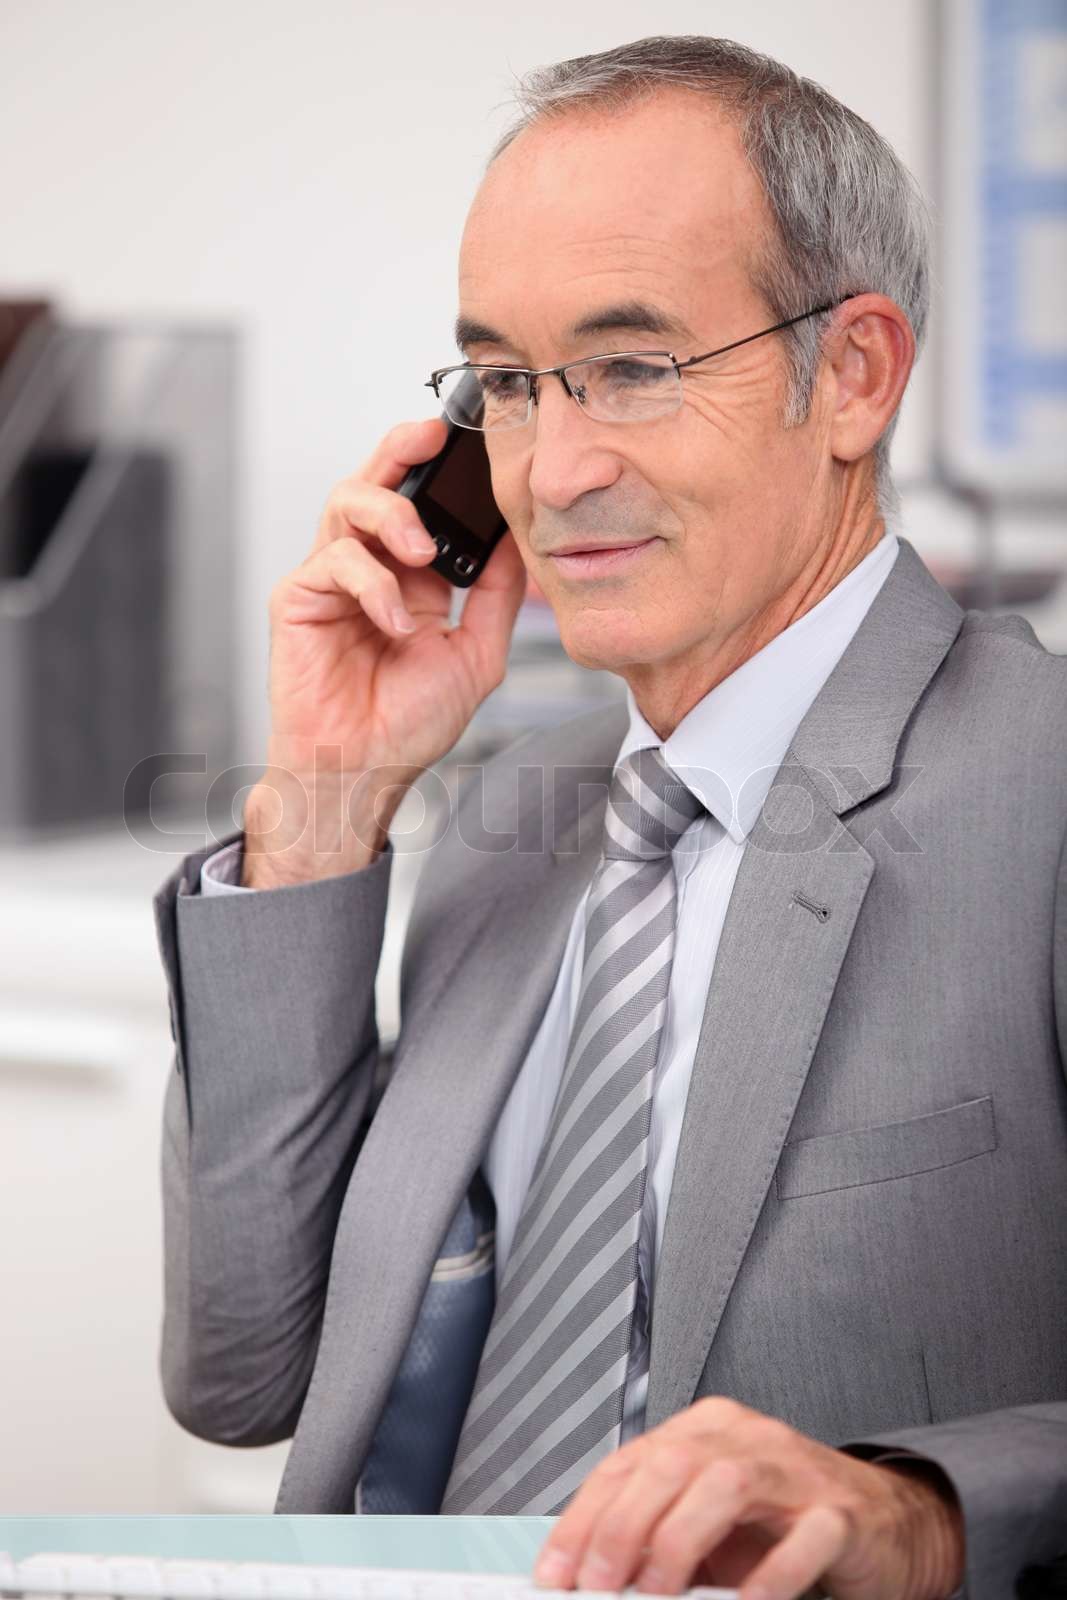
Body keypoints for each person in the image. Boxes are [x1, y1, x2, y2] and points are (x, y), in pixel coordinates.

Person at [153, 34, 1067, 1600]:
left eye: (633, 367)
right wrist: (326, 800)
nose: (551, 469)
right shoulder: (515, 817)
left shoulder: (1040, 791)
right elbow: (244, 1376)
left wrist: (926, 1509)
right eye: (507, 382)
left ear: (850, 377)